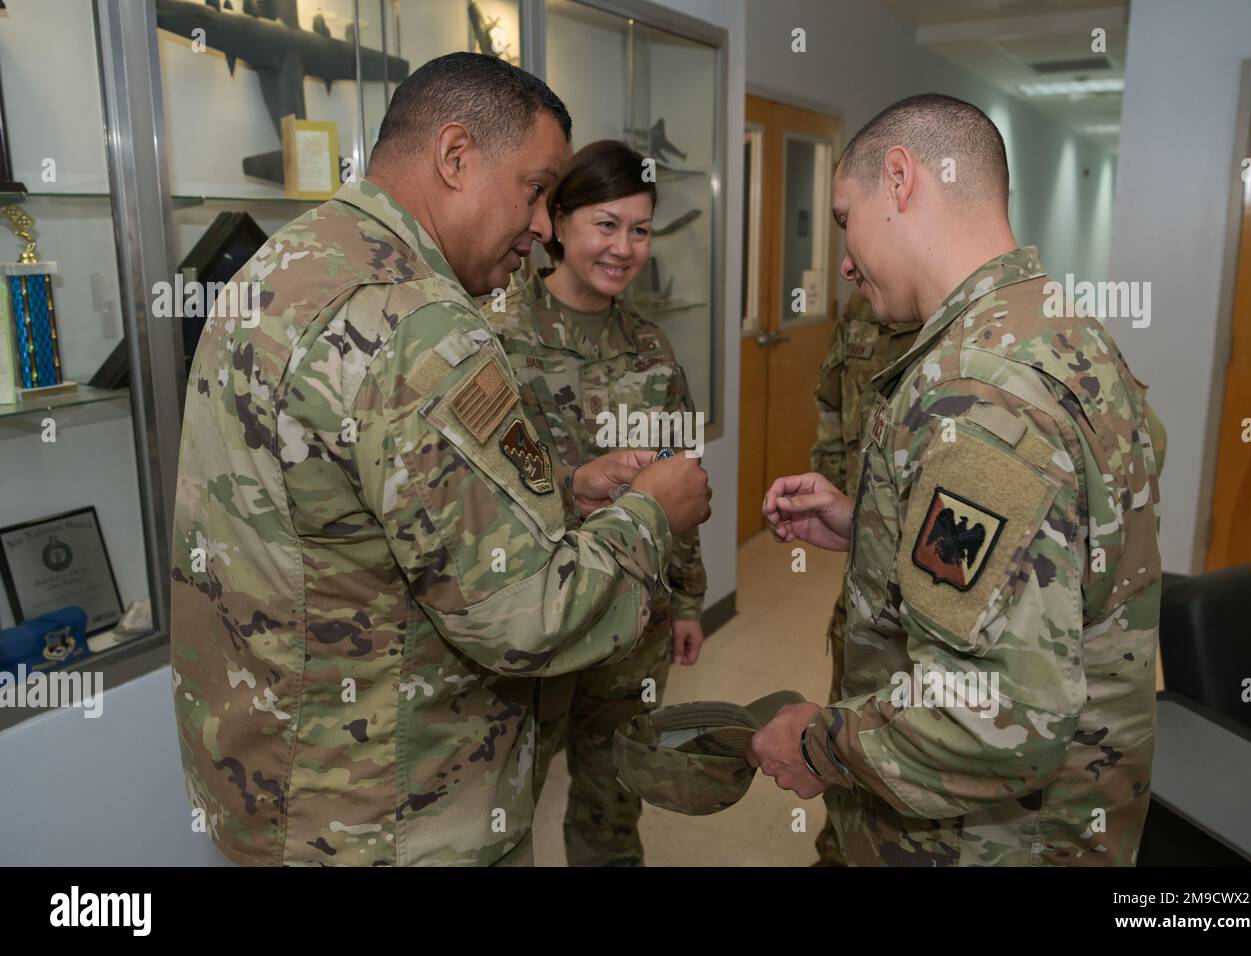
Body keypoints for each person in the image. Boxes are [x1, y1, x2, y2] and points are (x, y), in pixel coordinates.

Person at [169, 52, 711, 868]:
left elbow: (360, 504)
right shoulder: (419, 324)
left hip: (273, 784)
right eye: (534, 190)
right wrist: (652, 515)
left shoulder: (284, 265)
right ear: (456, 157)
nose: (540, 225)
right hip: (391, 813)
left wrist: (563, 487)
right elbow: (523, 617)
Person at [750, 93, 1162, 866]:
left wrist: (817, 741)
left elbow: (994, 717)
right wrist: (874, 523)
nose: (843, 257)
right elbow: (1060, 549)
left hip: (986, 840)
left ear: (900, 180)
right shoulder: (1059, 327)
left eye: (845, 218)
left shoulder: (977, 393)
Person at [486, 140, 707, 866]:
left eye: (640, 230)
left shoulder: (652, 349)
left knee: (613, 802)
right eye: (605, 225)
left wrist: (687, 599)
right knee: (499, 806)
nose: (625, 248)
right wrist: (576, 479)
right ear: (558, 221)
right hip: (530, 622)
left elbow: (682, 482)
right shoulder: (495, 339)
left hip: (630, 622)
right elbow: (472, 495)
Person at [807, 290, 919, 866]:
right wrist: (848, 507)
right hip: (864, 601)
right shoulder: (861, 309)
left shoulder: (998, 333)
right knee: (845, 750)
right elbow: (832, 397)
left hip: (939, 631)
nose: (845, 261)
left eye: (849, 221)